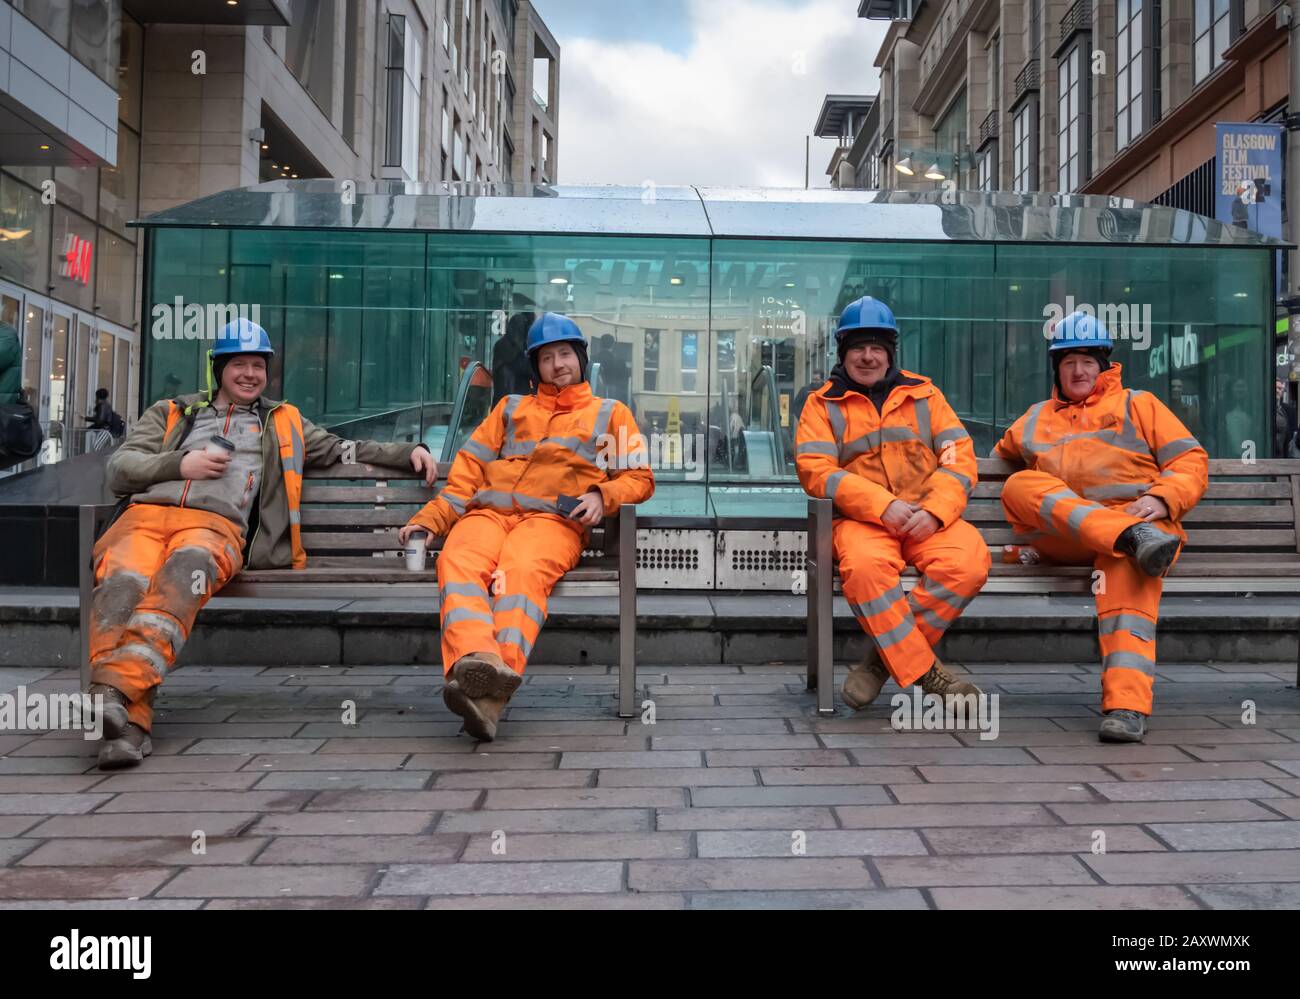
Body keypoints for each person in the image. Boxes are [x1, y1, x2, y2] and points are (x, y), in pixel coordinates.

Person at [88, 319, 437, 769]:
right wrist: (181, 463)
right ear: (219, 369)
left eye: (258, 365)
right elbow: (120, 469)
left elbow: (341, 449)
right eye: (239, 364)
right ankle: (127, 725)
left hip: (214, 530)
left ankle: (110, 691)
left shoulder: (283, 421)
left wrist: (406, 452)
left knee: (181, 579)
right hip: (143, 519)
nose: (250, 374)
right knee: (121, 585)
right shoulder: (173, 412)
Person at [399, 313, 654, 741]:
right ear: (535, 367)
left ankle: (489, 689)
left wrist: (600, 496)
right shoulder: (510, 408)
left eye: (565, 354)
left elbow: (640, 478)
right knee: (457, 561)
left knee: (519, 575)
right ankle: (481, 667)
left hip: (552, 521)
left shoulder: (610, 413)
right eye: (548, 357)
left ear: (581, 358)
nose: (558, 364)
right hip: (488, 514)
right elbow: (466, 475)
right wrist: (428, 520)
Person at [994, 311, 1208, 743]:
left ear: (1104, 365)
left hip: (1141, 523)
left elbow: (1189, 460)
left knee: (1128, 571)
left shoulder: (1139, 404)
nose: (1078, 369)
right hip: (1083, 535)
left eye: (1087, 361)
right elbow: (1002, 456)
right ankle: (1126, 538)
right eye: (1068, 360)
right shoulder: (1035, 418)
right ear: (1056, 367)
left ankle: (1125, 708)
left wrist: (1162, 497)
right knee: (1020, 483)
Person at [795, 296, 989, 710]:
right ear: (843, 352)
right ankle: (929, 674)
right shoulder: (821, 405)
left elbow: (959, 458)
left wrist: (935, 512)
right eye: (858, 347)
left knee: (968, 563)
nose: (868, 357)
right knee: (865, 570)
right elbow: (816, 471)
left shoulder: (926, 395)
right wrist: (881, 505)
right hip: (862, 522)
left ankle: (880, 663)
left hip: (927, 518)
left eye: (877, 347)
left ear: (890, 353)